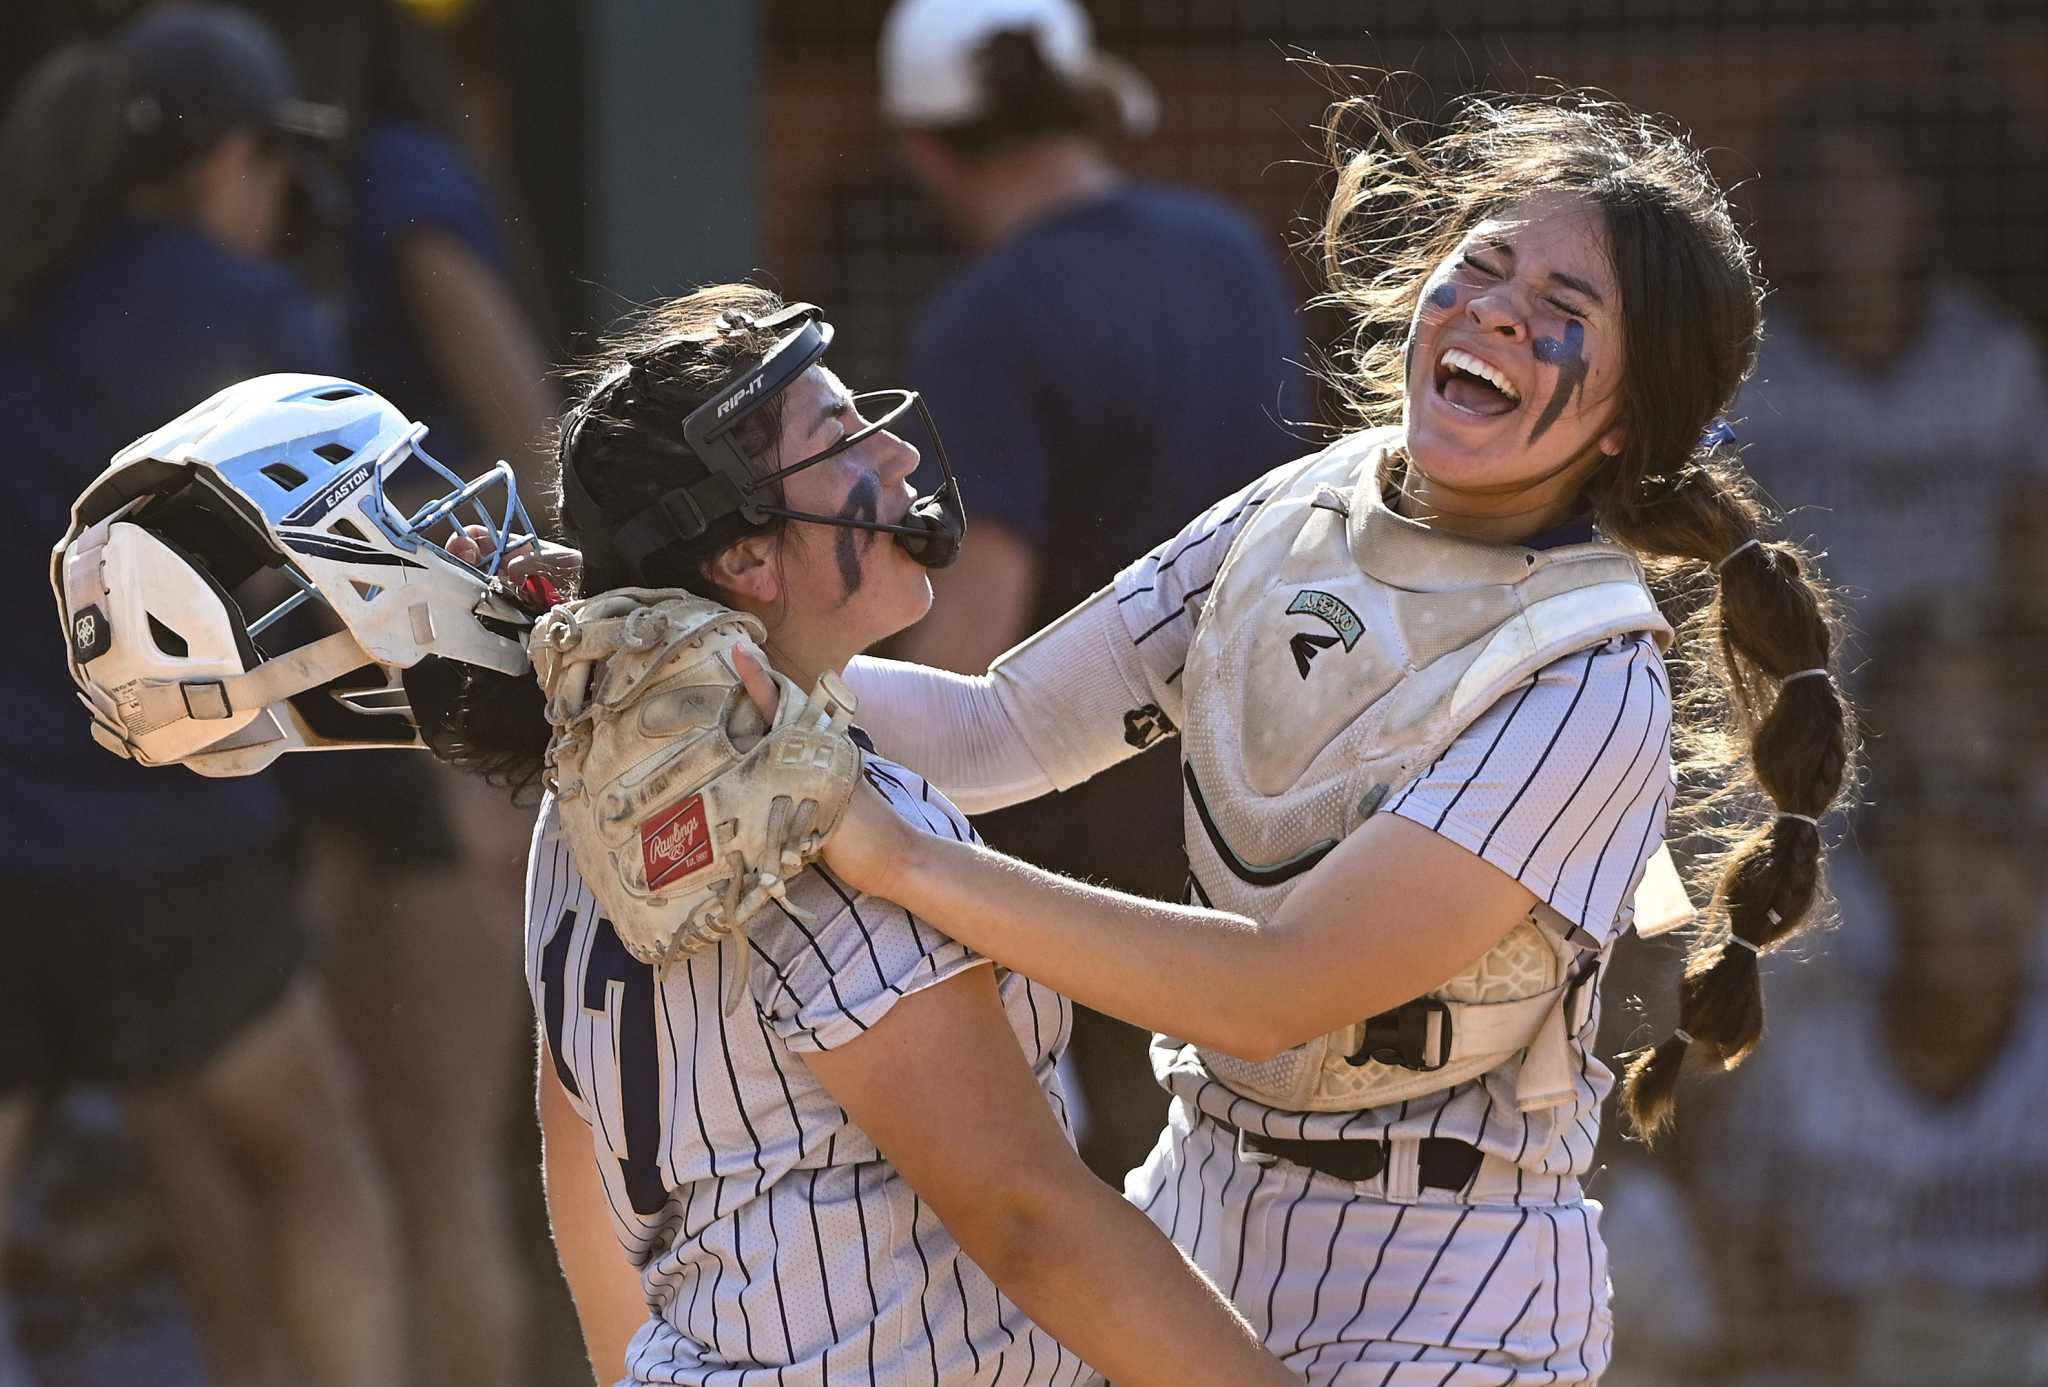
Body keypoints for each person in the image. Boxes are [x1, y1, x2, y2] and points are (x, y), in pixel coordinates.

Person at [55, 299, 1305, 1387]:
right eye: (840, 436)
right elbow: (1030, 1220)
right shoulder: (819, 825)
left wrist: (1305, 502)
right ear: (745, 553)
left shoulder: (585, 793)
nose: (895, 449)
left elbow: (581, 1171)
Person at [819, 87, 1856, 1383]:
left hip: (1445, 1279)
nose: (1495, 310)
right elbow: (994, 728)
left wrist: (905, 862)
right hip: (1194, 1200)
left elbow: (1273, 989)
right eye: (1482, 265)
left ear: (1626, 422)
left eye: (1561, 309)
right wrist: (721, 656)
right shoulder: (1304, 503)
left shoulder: (1591, 674)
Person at [0, 7, 407, 1386]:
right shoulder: (245, 317)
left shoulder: (22, 286)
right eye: (273, 166)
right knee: (312, 1157)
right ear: (232, 158)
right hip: (165, 841)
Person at [879, 0, 1310, 1176]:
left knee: (1114, 1187)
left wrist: (855, 786)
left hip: (1085, 851)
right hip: (1277, 789)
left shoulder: (980, 318)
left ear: (925, 151)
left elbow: (976, 620)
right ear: (1088, 103)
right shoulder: (1225, 247)